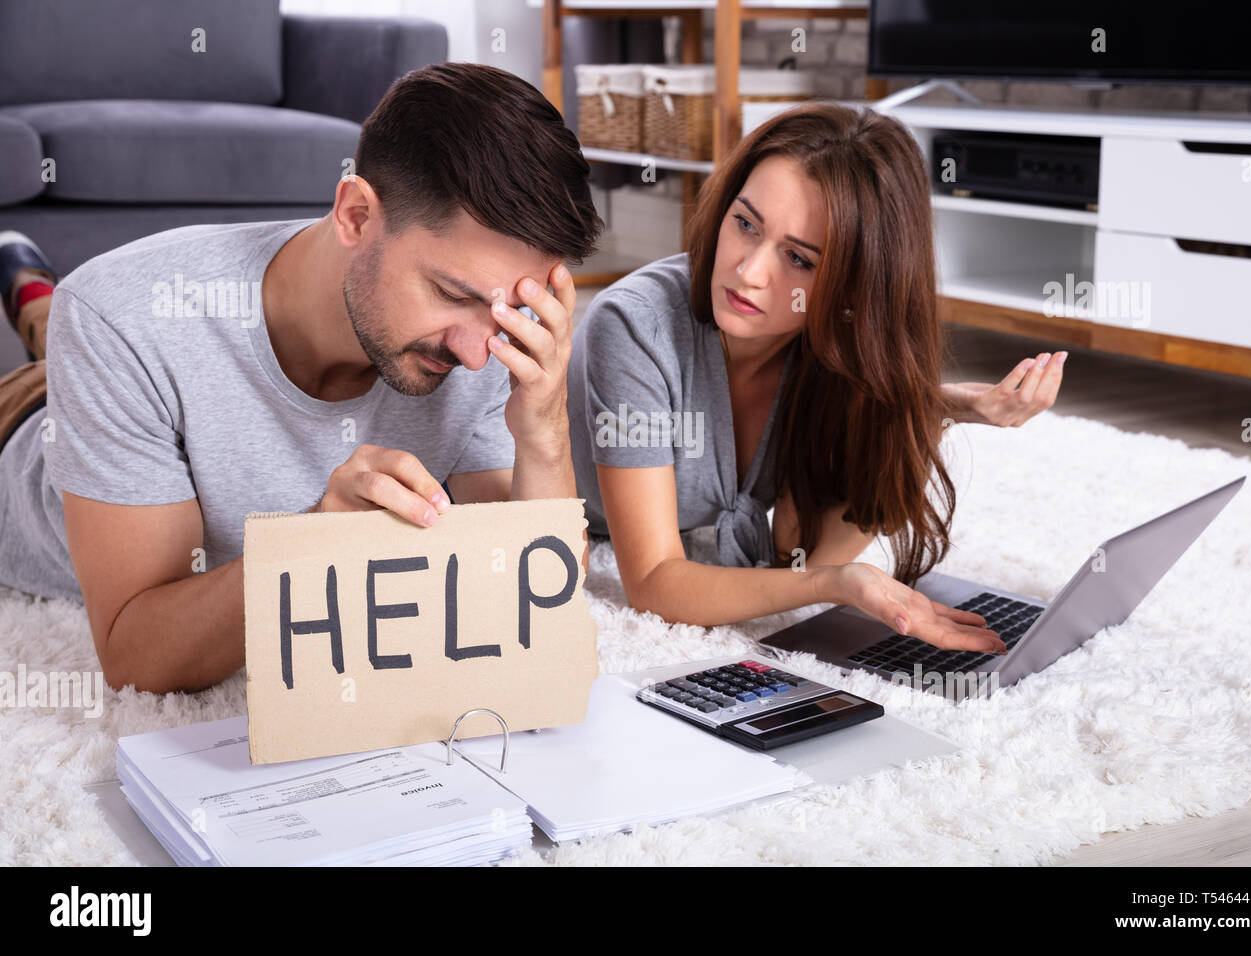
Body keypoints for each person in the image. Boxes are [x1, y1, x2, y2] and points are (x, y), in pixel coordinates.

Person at [0, 62, 603, 694]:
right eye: (451, 293)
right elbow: (138, 657)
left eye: (509, 311)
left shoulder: (486, 337)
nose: (478, 355)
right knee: (57, 343)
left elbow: (534, 588)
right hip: (24, 418)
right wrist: (310, 545)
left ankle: (32, 298)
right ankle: (39, 304)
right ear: (357, 215)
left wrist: (544, 427)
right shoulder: (118, 316)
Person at [568, 103, 1065, 651]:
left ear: (856, 286)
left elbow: (798, 553)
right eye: (746, 223)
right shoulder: (636, 327)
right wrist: (839, 585)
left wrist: (920, 411)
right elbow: (654, 583)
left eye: (799, 259)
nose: (749, 273)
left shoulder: (826, 348)